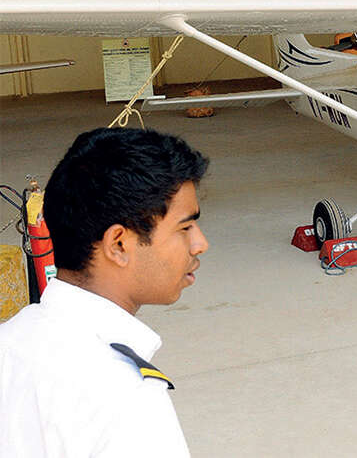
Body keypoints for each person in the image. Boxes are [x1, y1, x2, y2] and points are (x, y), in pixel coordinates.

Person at [0, 127, 209, 457]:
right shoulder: (128, 398)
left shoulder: (10, 343)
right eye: (184, 227)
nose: (200, 244)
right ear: (118, 245)